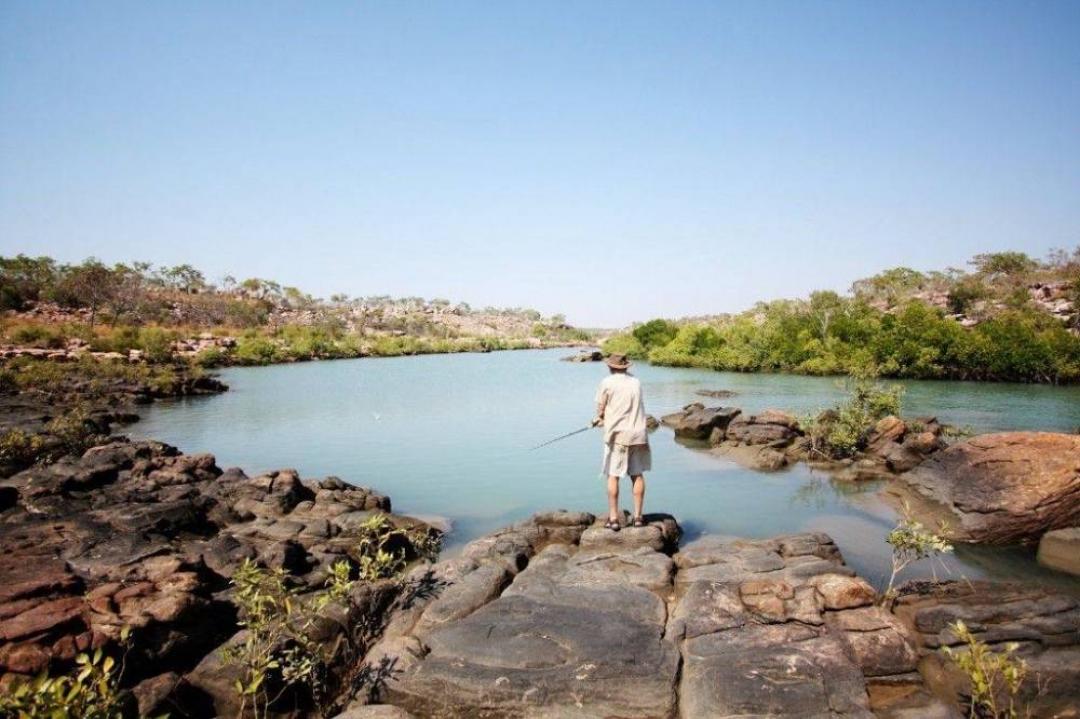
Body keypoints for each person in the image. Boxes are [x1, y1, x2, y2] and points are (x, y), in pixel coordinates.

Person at [591, 352, 651, 531]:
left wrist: (599, 418)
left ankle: (614, 519)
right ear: (626, 366)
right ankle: (638, 518)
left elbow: (601, 408)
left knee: (613, 475)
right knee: (637, 474)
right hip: (638, 434)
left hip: (617, 436)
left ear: (610, 367)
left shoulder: (606, 383)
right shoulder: (636, 382)